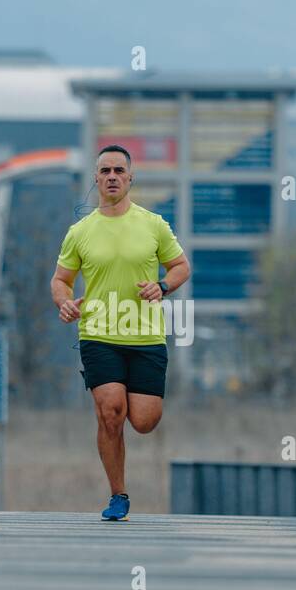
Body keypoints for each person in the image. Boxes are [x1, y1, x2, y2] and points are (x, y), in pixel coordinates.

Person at [50, 145, 191, 521]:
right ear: (95, 179)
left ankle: (124, 399)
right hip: (98, 333)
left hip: (145, 335)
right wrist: (64, 302)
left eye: (119, 170)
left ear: (130, 178)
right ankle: (118, 496)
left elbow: (180, 266)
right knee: (111, 412)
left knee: (143, 421)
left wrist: (163, 286)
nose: (112, 176)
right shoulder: (80, 232)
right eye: (105, 170)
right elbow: (61, 280)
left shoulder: (153, 224)